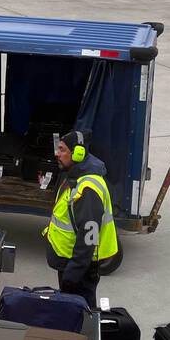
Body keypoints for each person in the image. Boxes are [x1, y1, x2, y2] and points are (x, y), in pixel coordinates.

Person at [44, 130, 117, 311]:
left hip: (79, 272)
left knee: (81, 317)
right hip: (72, 266)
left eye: (62, 150)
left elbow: (88, 238)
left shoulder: (88, 189)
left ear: (77, 154)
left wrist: (72, 275)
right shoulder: (74, 178)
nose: (57, 154)